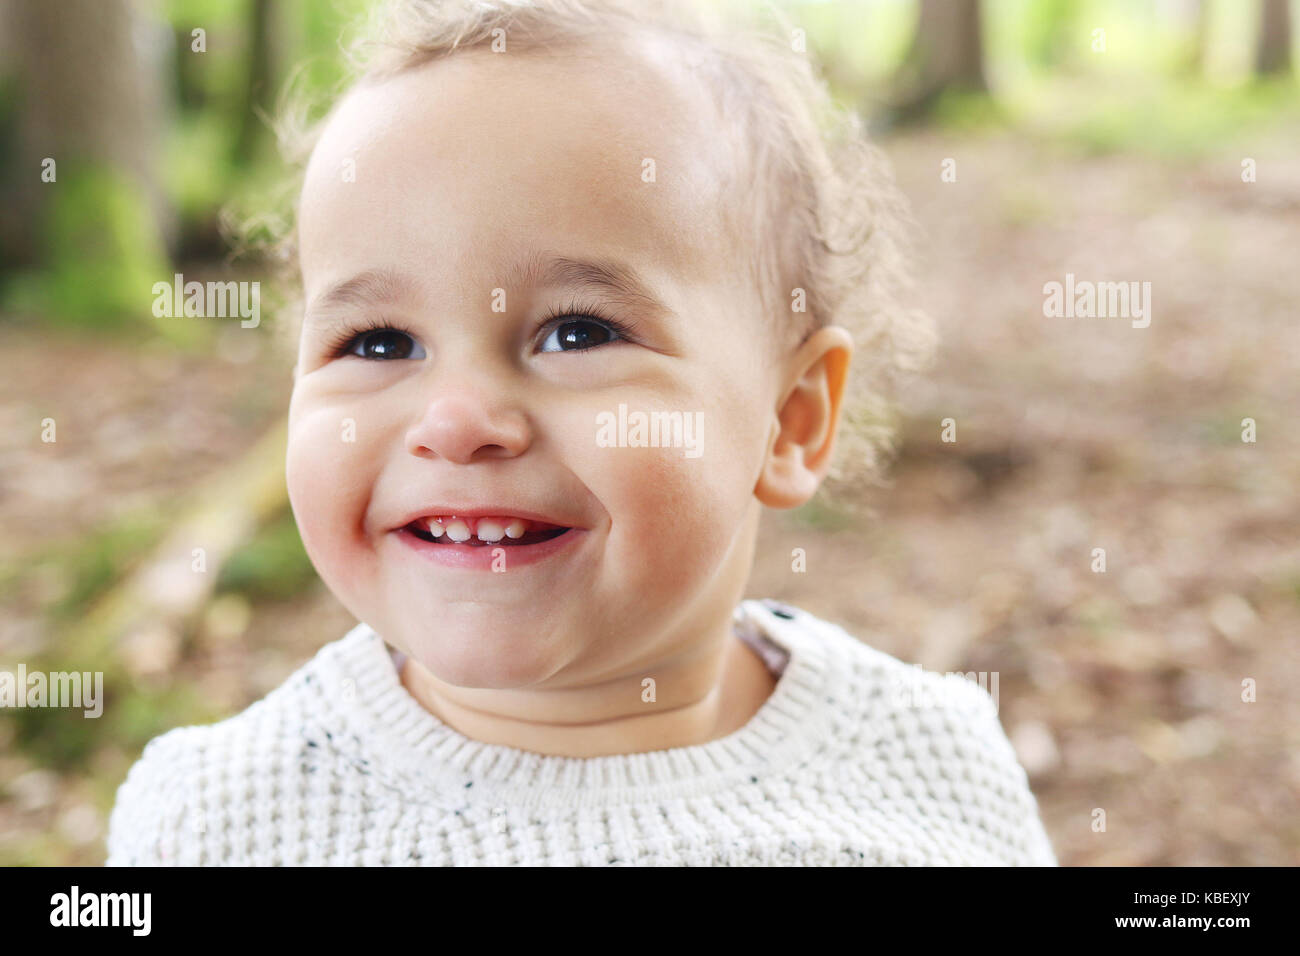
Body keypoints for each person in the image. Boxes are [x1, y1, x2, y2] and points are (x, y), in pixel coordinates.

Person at [106, 0, 1055, 866]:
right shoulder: (218, 821)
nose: (459, 422)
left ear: (791, 421)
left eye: (578, 332)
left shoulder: (933, 770)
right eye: (380, 340)